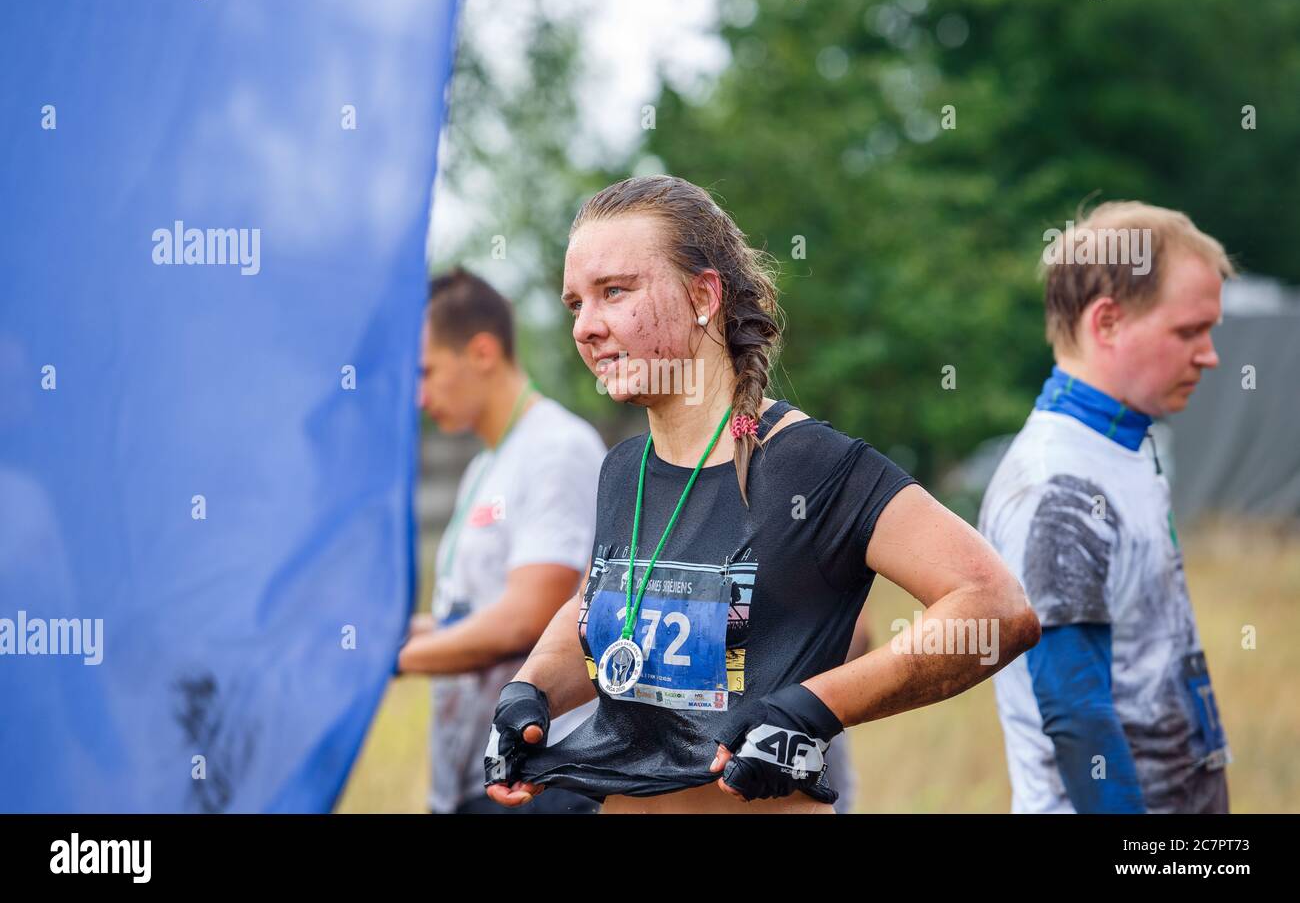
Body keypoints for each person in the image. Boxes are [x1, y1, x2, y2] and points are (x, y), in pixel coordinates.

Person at [481, 174, 1040, 813]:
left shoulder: (807, 463)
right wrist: (529, 692)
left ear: (702, 296)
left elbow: (995, 607)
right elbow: (609, 598)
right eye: (575, 303)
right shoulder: (625, 471)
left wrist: (811, 710)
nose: (586, 327)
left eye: (615, 292)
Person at [980, 201, 1235, 813]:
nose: (1210, 354)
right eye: (1188, 331)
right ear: (1108, 322)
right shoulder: (1059, 486)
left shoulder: (1122, 447)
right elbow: (1079, 717)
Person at [397, 267, 605, 814]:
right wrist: (384, 634)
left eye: (427, 371)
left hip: (542, 779)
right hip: (479, 780)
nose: (418, 396)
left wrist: (397, 658)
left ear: (482, 353)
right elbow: (471, 614)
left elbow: (529, 615)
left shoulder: (557, 450)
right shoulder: (485, 464)